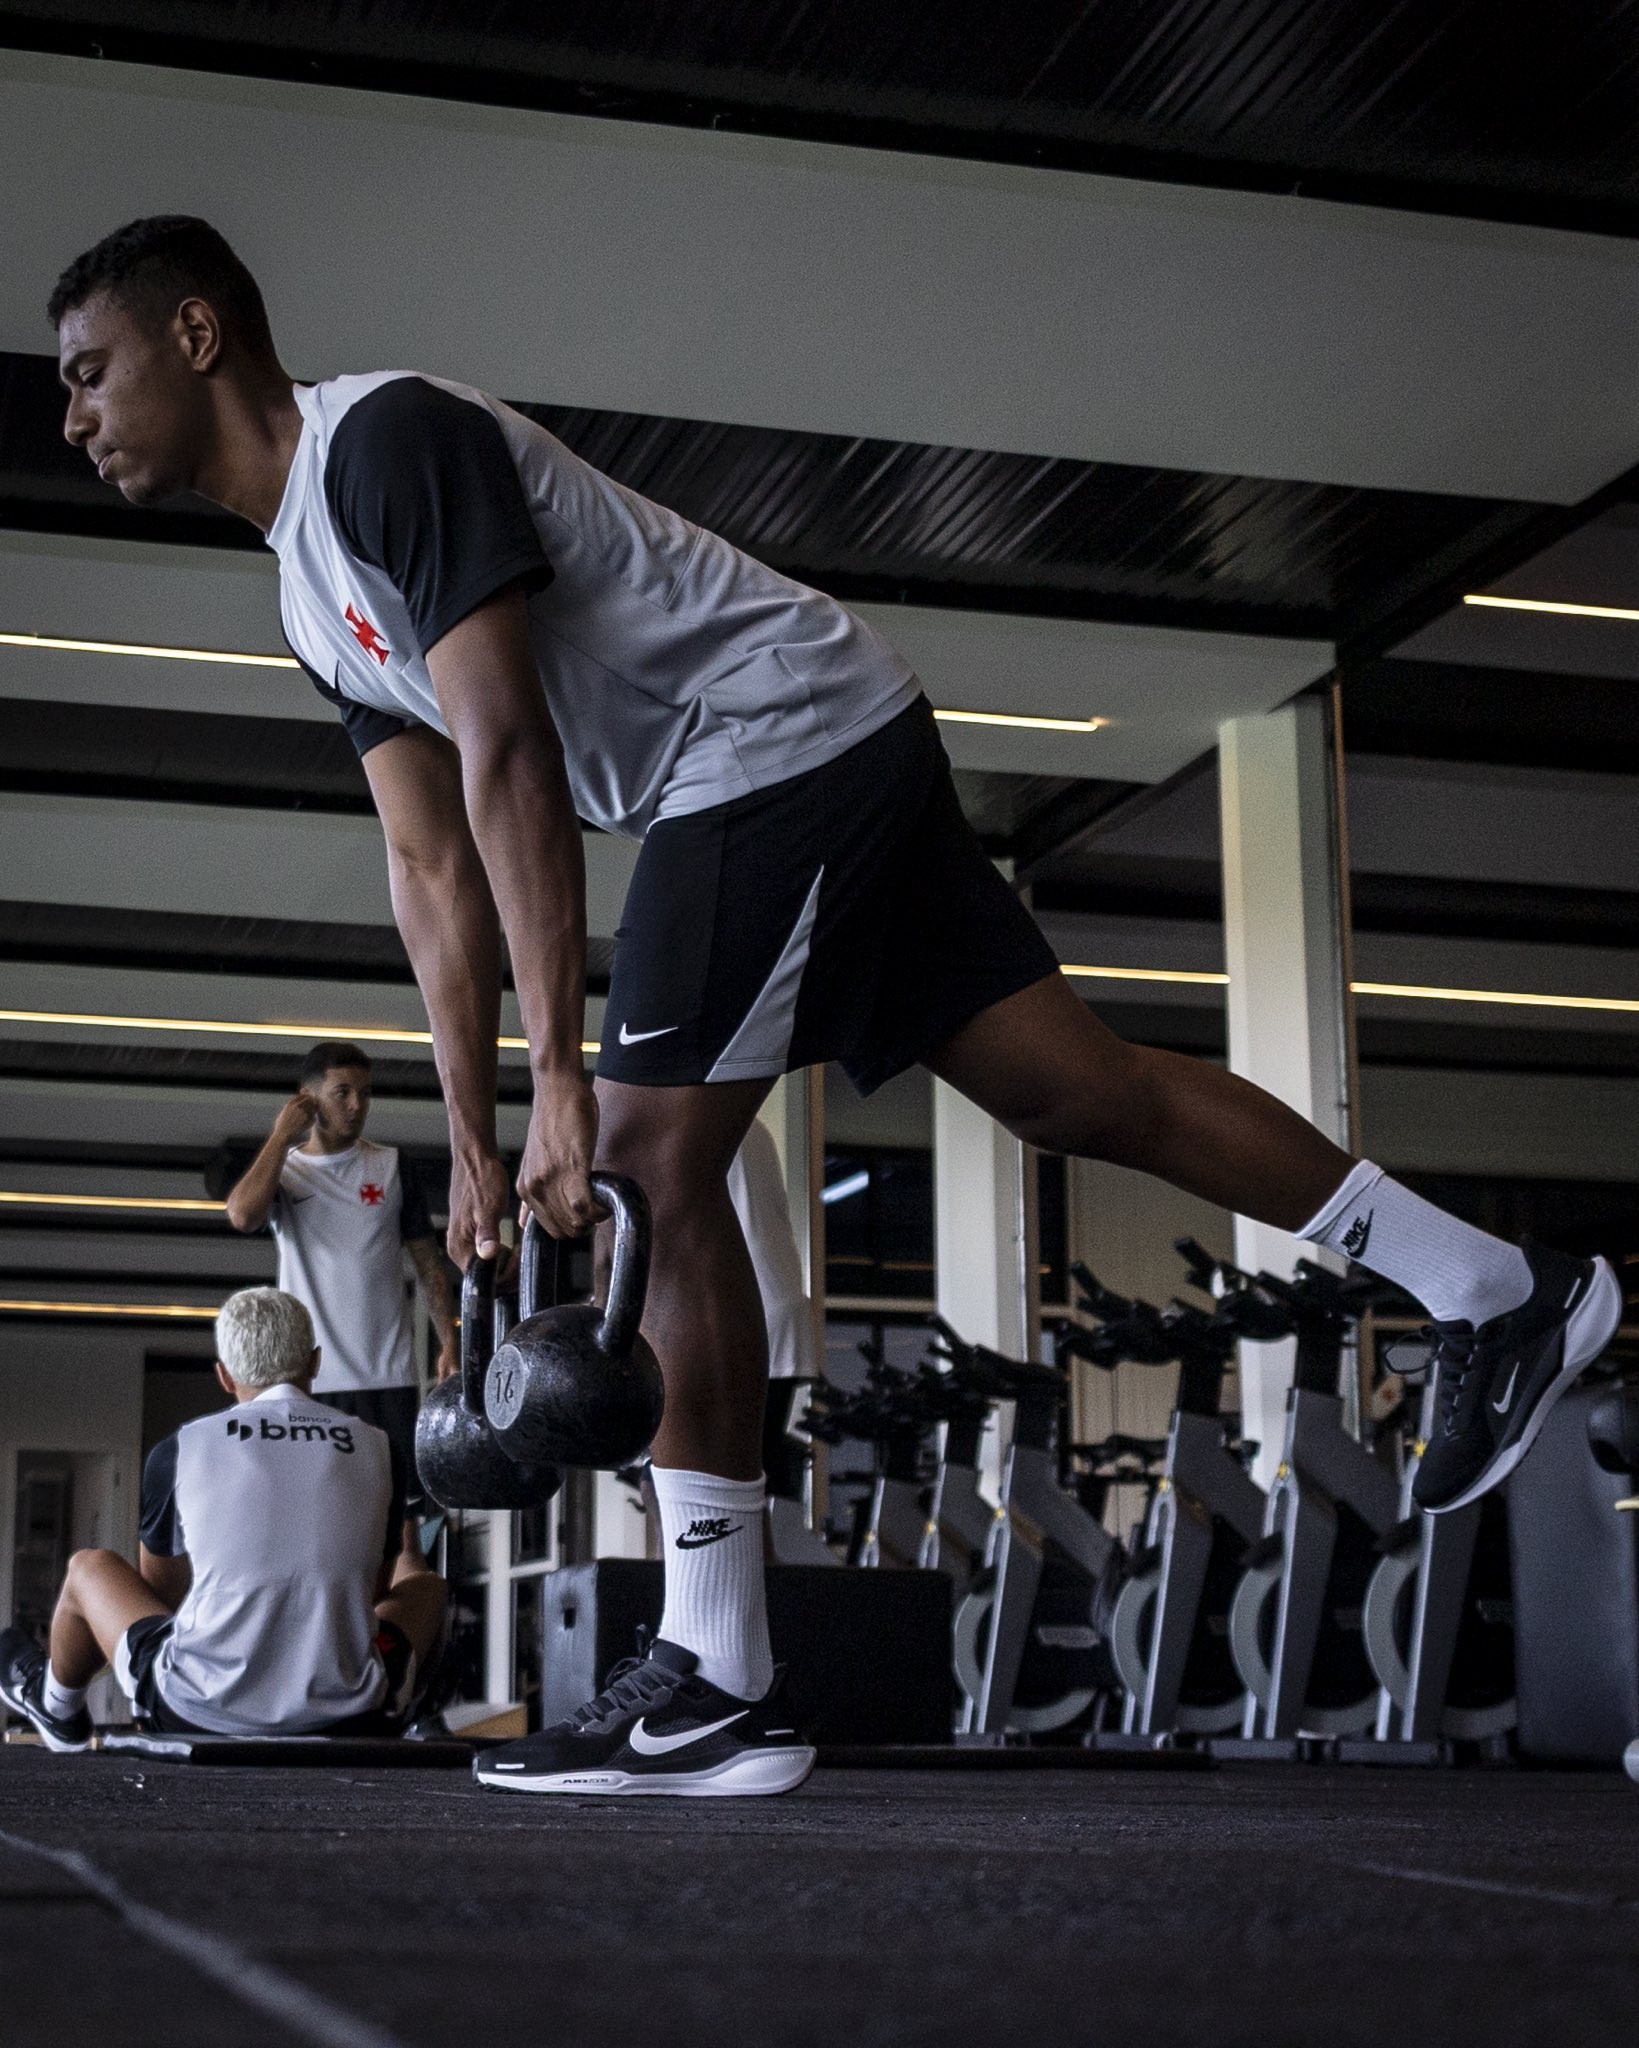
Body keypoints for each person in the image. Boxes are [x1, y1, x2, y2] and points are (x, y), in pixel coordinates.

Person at [48, 216, 1621, 1798]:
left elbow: (512, 753)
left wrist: (565, 1082)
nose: (71, 416)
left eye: (89, 371)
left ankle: (717, 1675)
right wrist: (467, 1132)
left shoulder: (382, 442)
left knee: (648, 1172)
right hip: (811, 739)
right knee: (1076, 1093)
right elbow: (427, 857)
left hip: (760, 744)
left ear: (197, 337)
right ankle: (1495, 1284)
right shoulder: (309, 601)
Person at [0, 1288, 446, 1748]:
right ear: (315, 1363)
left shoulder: (180, 1449)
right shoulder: (379, 1446)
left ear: (224, 1375)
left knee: (87, 1568)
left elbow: (163, 1597)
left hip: (195, 1711)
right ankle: (408, 1713)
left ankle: (55, 1704)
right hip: (350, 1712)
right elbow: (370, 1594)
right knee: (427, 1587)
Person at [225, 1040, 458, 1568]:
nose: (355, 1105)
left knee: (401, 1529)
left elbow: (427, 1262)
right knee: (312, 1518)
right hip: (309, 1380)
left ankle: (400, 1641)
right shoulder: (284, 1173)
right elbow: (241, 1215)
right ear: (307, 1099)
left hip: (387, 1373)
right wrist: (281, 1136)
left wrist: (451, 1339)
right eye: (342, 1093)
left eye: (365, 1094)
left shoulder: (393, 1166)